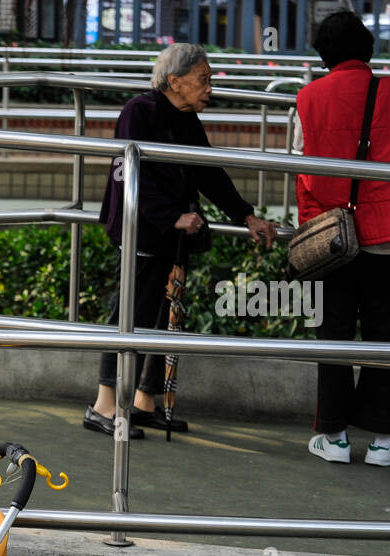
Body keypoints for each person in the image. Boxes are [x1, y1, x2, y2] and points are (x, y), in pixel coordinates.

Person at [87, 43, 278, 439]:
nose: (209, 89)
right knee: (130, 315)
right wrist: (171, 216)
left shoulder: (187, 117)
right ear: (175, 80)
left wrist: (245, 215)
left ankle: (144, 401)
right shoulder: (139, 111)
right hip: (141, 230)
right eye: (202, 80)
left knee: (164, 317)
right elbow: (129, 175)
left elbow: (209, 173)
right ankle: (102, 406)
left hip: (174, 233)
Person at [297, 11, 390, 467]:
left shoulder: (308, 97)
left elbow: (303, 164)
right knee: (384, 333)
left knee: (332, 331)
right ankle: (383, 442)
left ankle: (332, 437)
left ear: (324, 54)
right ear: (369, 47)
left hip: (333, 236)